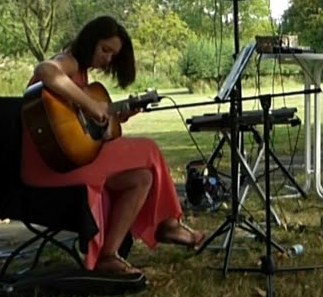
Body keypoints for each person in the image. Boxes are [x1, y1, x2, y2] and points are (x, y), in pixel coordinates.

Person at [21, 16, 203, 276]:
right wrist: (88, 103)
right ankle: (168, 224)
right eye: (104, 49)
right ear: (90, 40)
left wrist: (115, 117)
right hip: (49, 167)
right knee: (148, 149)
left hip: (70, 162)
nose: (107, 59)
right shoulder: (69, 61)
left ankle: (108, 255)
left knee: (141, 178)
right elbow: (45, 71)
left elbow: (80, 136)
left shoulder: (82, 76)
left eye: (112, 55)